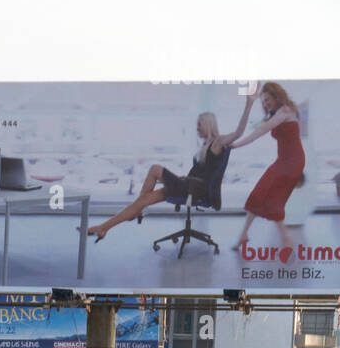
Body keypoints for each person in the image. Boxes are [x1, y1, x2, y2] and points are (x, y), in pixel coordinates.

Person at [87, 90, 258, 241]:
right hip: (189, 185)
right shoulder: (206, 144)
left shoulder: (218, 142)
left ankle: (136, 211)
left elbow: (238, 132)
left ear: (207, 125)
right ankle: (104, 227)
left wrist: (249, 104)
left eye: (199, 126)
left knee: (155, 169)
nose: (197, 129)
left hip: (197, 188)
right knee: (144, 199)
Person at [229, 82, 305, 254]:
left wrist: (236, 145)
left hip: (293, 161)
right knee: (258, 194)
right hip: (283, 160)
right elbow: (256, 127)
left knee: (273, 199)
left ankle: (286, 237)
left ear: (276, 96)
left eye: (267, 99)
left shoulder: (285, 110)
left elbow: (261, 130)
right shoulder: (275, 113)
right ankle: (243, 235)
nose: (265, 103)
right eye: (263, 101)